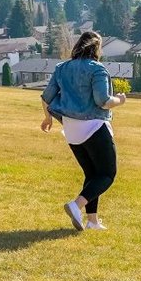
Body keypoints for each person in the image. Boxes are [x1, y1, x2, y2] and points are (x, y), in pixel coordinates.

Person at [39, 31, 126, 231]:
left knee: (92, 174)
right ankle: (75, 205)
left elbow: (46, 97)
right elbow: (103, 101)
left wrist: (47, 118)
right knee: (107, 174)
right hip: (93, 126)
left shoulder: (61, 68)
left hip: (71, 129)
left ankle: (92, 221)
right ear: (97, 48)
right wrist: (120, 100)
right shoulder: (97, 69)